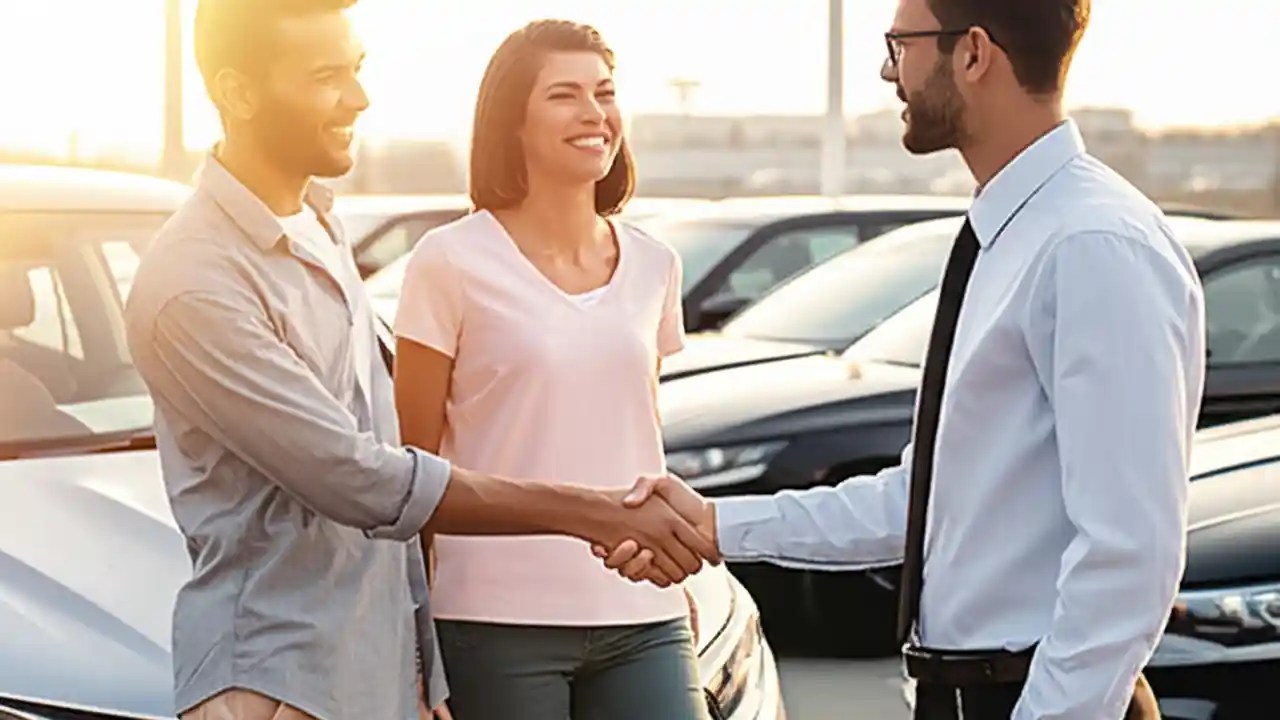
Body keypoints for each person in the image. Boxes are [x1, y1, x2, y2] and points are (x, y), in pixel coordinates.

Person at [598, 0, 1205, 718]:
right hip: (964, 693)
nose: (890, 69)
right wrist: (715, 523)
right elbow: (921, 502)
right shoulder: (1012, 233)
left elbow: (1130, 556)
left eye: (902, 43)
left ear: (973, 53)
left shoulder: (1094, 244)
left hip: (1032, 699)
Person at [123, 3, 718, 720]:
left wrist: (420, 661)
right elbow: (363, 477)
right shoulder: (195, 284)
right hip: (275, 682)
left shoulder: (315, 223)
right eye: (325, 77)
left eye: (356, 70)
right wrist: (588, 512)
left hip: (365, 666)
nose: (359, 98)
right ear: (239, 92)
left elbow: (389, 466)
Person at [391, 19, 713, 720]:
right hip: (493, 620)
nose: (594, 113)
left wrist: (678, 584)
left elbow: (640, 437)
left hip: (642, 612)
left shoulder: (656, 264)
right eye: (564, 95)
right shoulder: (448, 262)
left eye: (604, 92)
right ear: (514, 123)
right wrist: (409, 643)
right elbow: (410, 474)